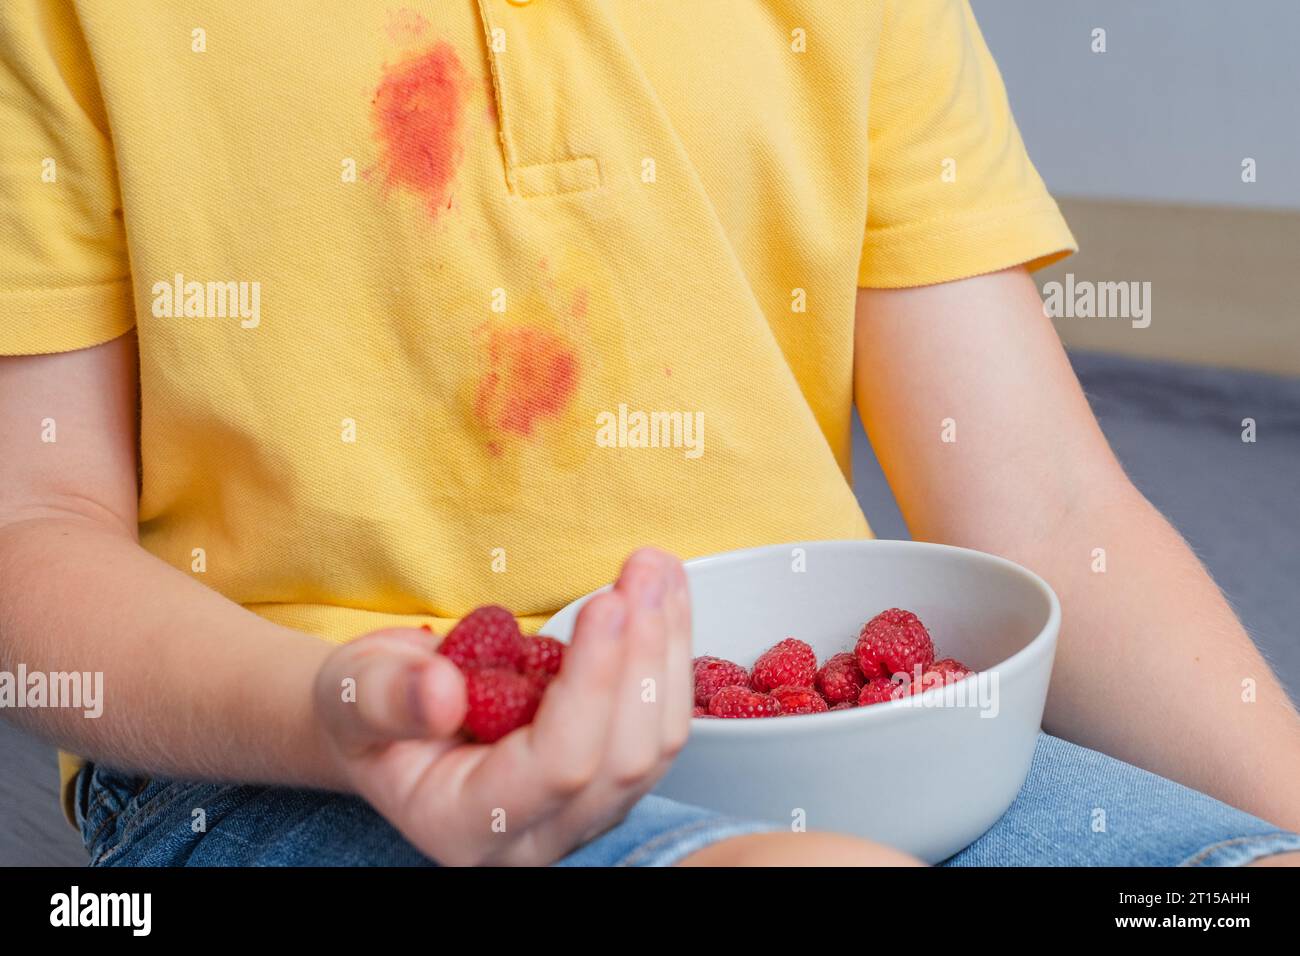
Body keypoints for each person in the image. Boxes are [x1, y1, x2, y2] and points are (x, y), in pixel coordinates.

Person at [1, 0, 1297, 867]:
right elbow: (33, 530)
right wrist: (328, 712)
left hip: (818, 735)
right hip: (291, 761)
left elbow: (1053, 506)